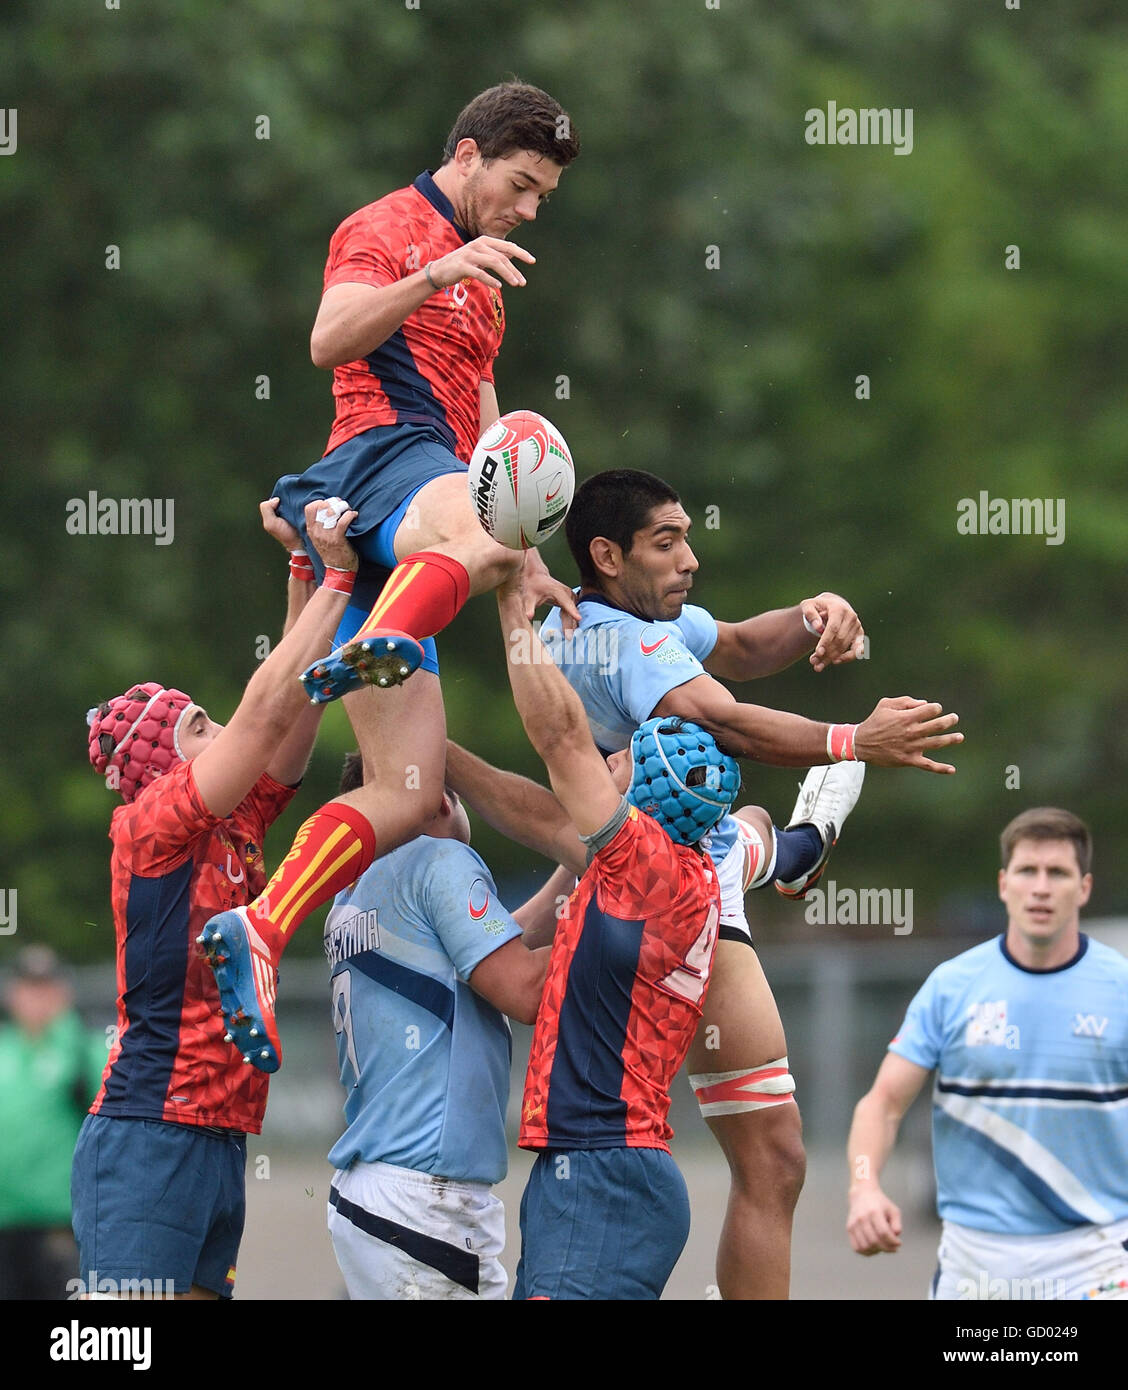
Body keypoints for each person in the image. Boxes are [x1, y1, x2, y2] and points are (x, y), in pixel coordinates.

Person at [201, 82, 581, 1062]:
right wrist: (431, 274)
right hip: (382, 455)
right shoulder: (385, 225)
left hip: (430, 502)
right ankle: (379, 638)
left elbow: (487, 417)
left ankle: (263, 926)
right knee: (482, 537)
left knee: (409, 789)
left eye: (544, 195)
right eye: (521, 184)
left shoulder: (489, 276)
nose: (530, 208)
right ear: (467, 154)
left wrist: (530, 558)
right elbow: (330, 339)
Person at [535, 467, 964, 1299]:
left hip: (656, 878)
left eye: (688, 534)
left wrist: (814, 615)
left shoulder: (624, 619)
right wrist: (851, 739)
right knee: (765, 1158)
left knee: (768, 1154)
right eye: (668, 542)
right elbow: (726, 716)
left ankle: (780, 846)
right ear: (606, 555)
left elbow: (736, 645)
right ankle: (787, 847)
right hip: (661, 905)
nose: (690, 557)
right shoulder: (623, 642)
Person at [73, 500, 358, 1300]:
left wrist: (304, 568)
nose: (224, 727)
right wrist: (341, 577)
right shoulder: (152, 822)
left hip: (217, 1136)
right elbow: (267, 714)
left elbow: (292, 721)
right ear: (165, 762)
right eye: (201, 724)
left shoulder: (231, 823)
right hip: (148, 1138)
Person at [477, 568, 749, 1299]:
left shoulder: (643, 861)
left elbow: (560, 738)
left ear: (651, 795)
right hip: (607, 1168)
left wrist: (512, 603)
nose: (611, 756)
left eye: (628, 755)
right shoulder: (687, 868)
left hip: (602, 1170)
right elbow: (756, 831)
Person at [847, 807, 1128, 1301]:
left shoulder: (1121, 989)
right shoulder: (952, 988)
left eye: (1057, 873)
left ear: (1083, 888)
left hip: (1096, 1259)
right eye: (1027, 871)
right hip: (976, 1265)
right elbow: (882, 1105)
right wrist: (864, 1187)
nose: (1040, 887)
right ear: (1004, 884)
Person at [323, 751, 573, 1301]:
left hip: (374, 1191)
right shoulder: (439, 860)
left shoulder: (350, 896)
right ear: (439, 797)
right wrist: (640, 932)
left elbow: (507, 937)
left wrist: (585, 857)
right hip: (424, 1201)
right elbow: (527, 989)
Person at [0, 946, 105, 1300]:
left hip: (60, 1226)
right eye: (29, 987)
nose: (38, 998)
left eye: (47, 987)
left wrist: (66, 1033)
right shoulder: (4, 1048)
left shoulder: (85, 1049)